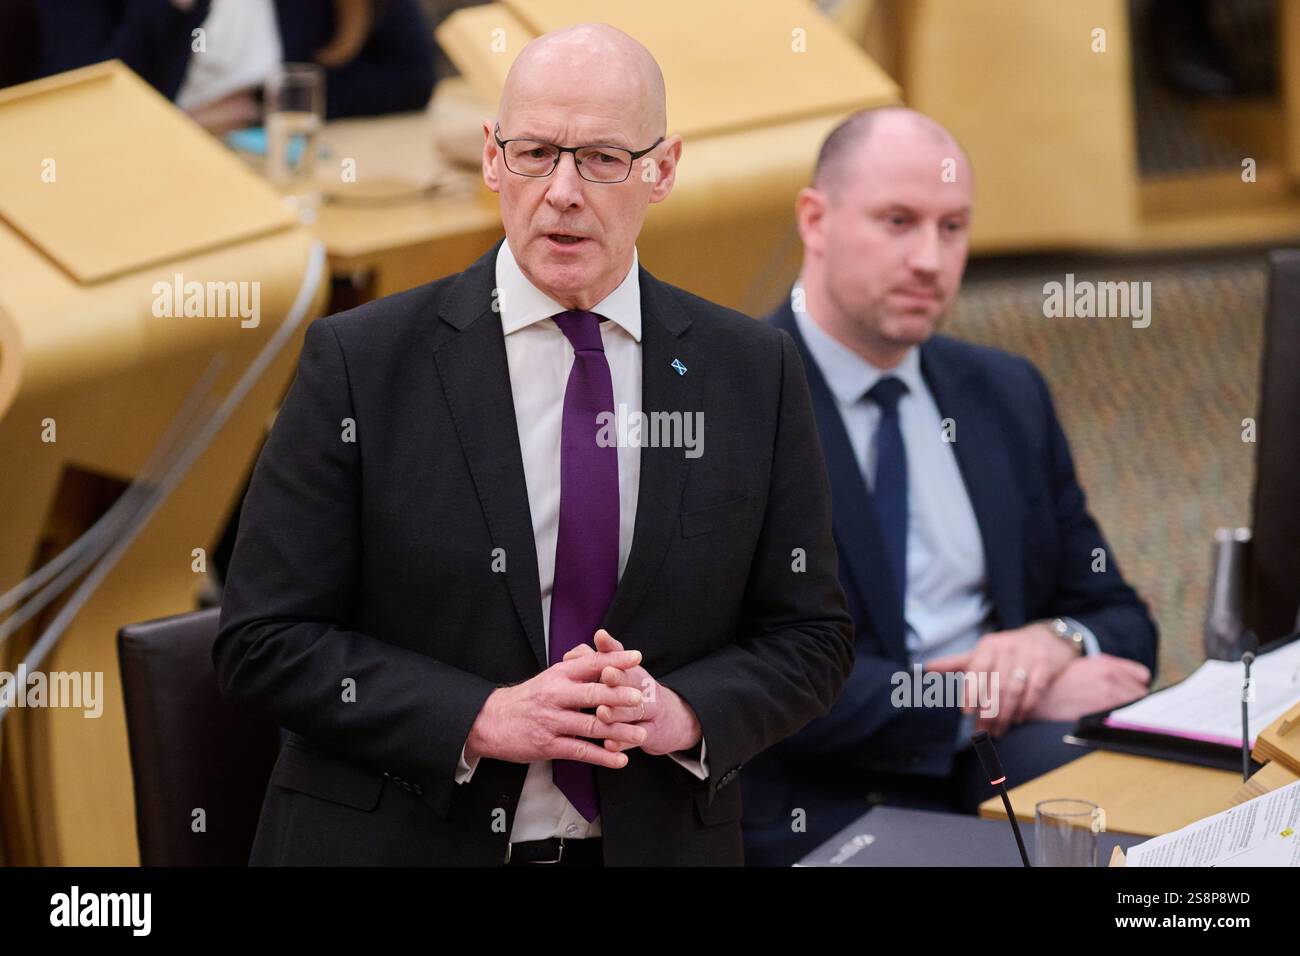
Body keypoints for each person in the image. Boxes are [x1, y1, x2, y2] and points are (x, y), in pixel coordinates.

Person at [214, 23, 853, 866]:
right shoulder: (362, 363)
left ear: (662, 169)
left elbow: (811, 636)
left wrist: (683, 713)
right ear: (490, 157)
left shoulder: (752, 372)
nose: (561, 192)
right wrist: (477, 717)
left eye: (601, 159)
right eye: (536, 153)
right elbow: (261, 639)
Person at [742, 107, 1158, 866]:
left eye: (953, 227)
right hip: (819, 793)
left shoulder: (1004, 393)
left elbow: (1122, 619)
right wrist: (978, 698)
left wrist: (1055, 641)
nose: (930, 260)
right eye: (897, 222)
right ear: (815, 219)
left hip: (1002, 761)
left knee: (1194, 851)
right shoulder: (735, 402)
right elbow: (754, 684)